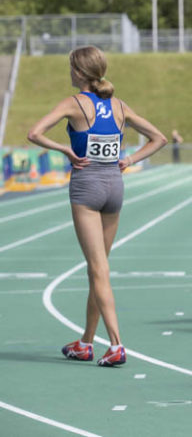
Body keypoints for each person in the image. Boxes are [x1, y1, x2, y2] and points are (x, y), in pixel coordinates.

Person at [27, 46, 167, 367]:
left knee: (98, 269)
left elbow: (34, 133)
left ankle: (116, 344)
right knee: (99, 269)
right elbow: (159, 138)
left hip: (87, 186)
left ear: (79, 72)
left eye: (70, 67)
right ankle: (86, 343)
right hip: (114, 188)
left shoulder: (73, 103)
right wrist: (129, 159)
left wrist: (65, 150)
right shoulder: (118, 105)